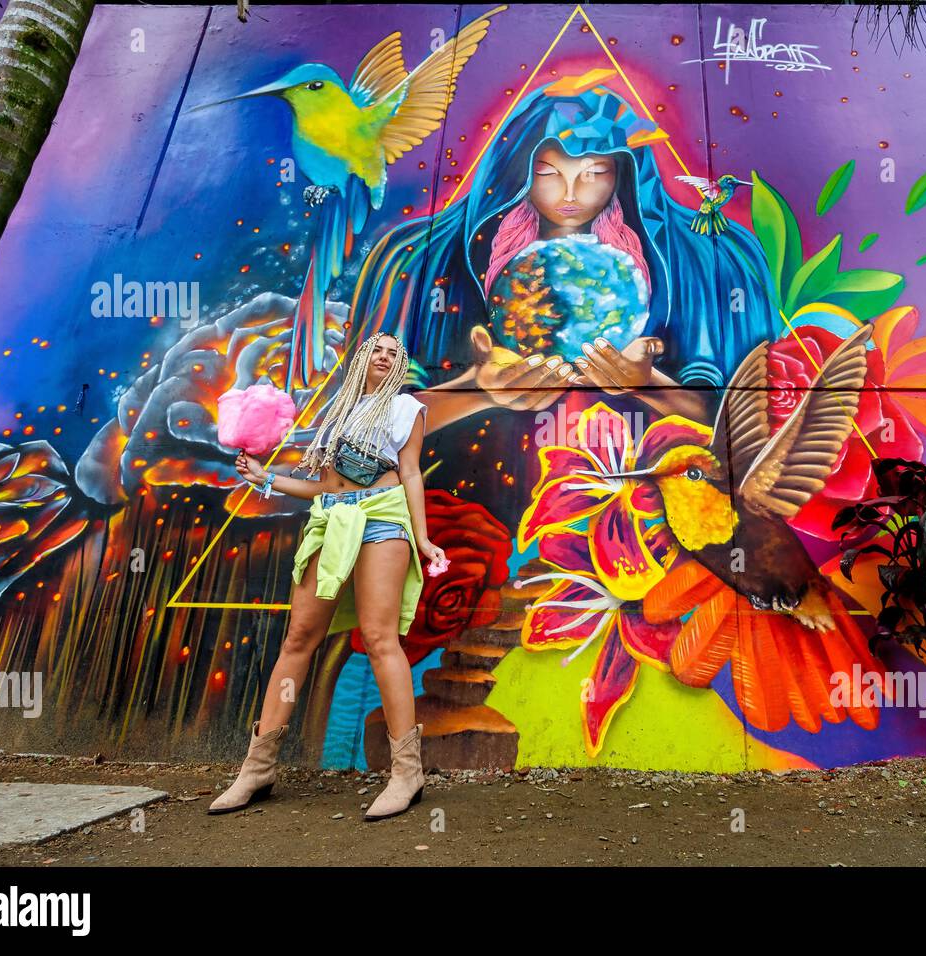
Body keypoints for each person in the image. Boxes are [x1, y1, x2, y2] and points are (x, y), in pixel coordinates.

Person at [345, 80, 780, 526]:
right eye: (549, 173)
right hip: (465, 509)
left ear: (624, 173)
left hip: (645, 514)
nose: (571, 193)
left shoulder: (704, 260)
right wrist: (476, 390)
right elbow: (358, 434)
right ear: (518, 170)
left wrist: (650, 384)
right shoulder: (421, 257)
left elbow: (751, 433)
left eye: (594, 173)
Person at [209, 332, 446, 821]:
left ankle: (406, 772)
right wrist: (265, 477)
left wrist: (421, 538)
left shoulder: (406, 409)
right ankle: (258, 768)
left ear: (399, 368)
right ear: (360, 359)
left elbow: (411, 473)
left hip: (382, 520)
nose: (383, 356)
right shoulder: (337, 413)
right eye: (375, 350)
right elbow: (321, 485)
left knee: (381, 638)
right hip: (330, 518)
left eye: (393, 354)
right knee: (298, 637)